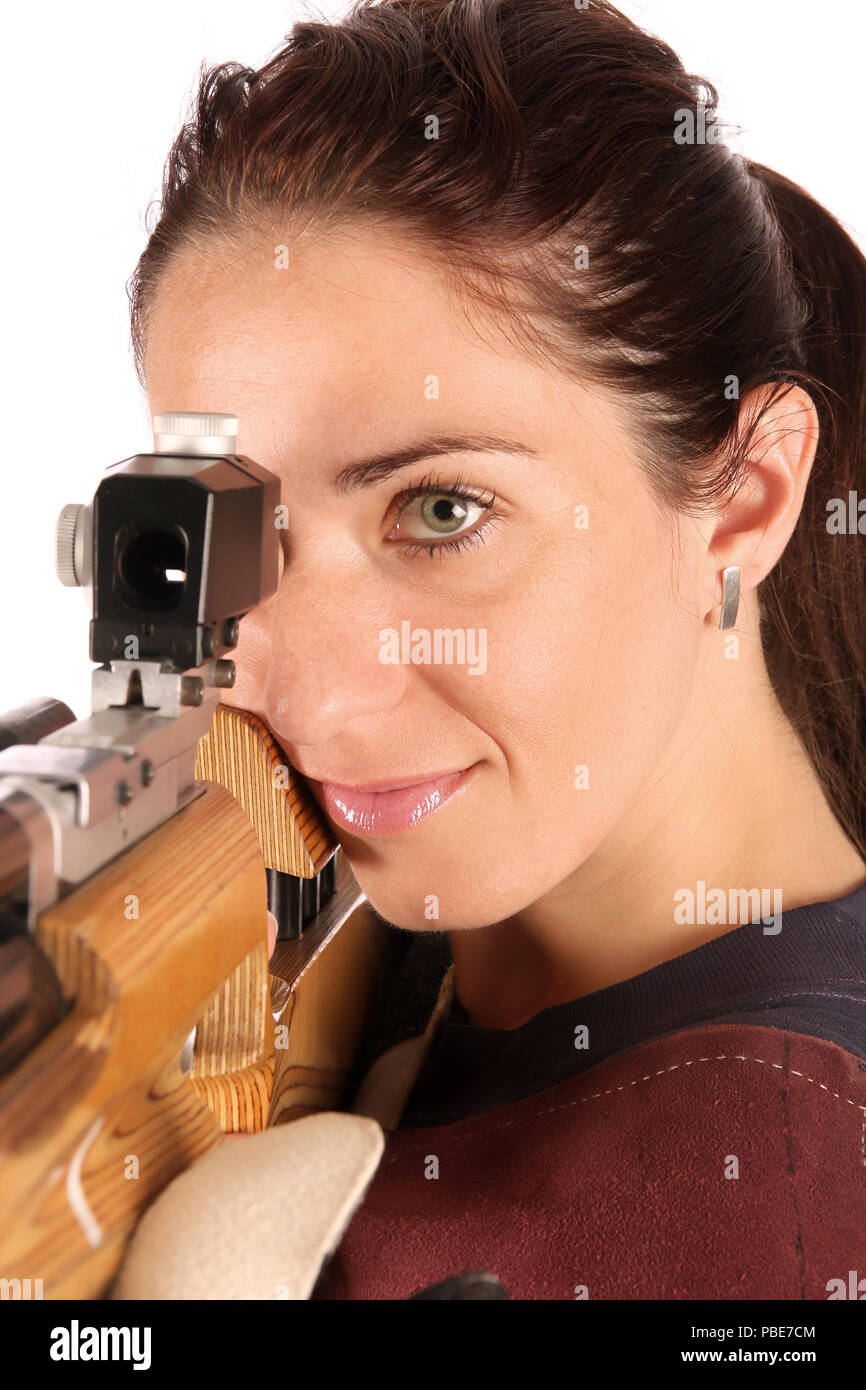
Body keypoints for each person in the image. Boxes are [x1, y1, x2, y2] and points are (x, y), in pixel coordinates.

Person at [117, 0, 866, 1300]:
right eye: (233, 530)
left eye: (441, 510)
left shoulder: (776, 1222)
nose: (308, 694)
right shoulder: (403, 953)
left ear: (744, 497)